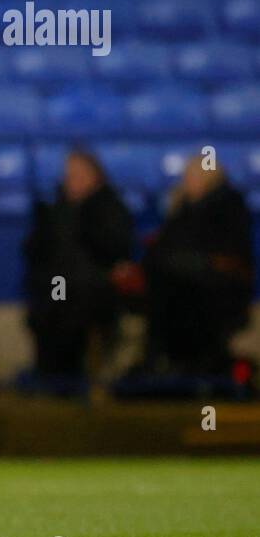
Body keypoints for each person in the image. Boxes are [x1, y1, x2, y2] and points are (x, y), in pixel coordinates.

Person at [23, 149, 133, 391]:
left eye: (79, 174)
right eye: (69, 175)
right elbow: (36, 251)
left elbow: (115, 248)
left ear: (95, 176)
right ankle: (52, 378)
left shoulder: (110, 208)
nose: (72, 180)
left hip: (94, 291)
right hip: (56, 289)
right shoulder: (57, 211)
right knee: (49, 307)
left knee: (73, 308)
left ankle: (71, 381)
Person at [141, 158, 253, 381]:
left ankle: (186, 370)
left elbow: (225, 260)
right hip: (180, 287)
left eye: (189, 178)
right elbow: (162, 249)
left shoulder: (228, 207)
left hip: (215, 293)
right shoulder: (184, 207)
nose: (184, 183)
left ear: (208, 180)